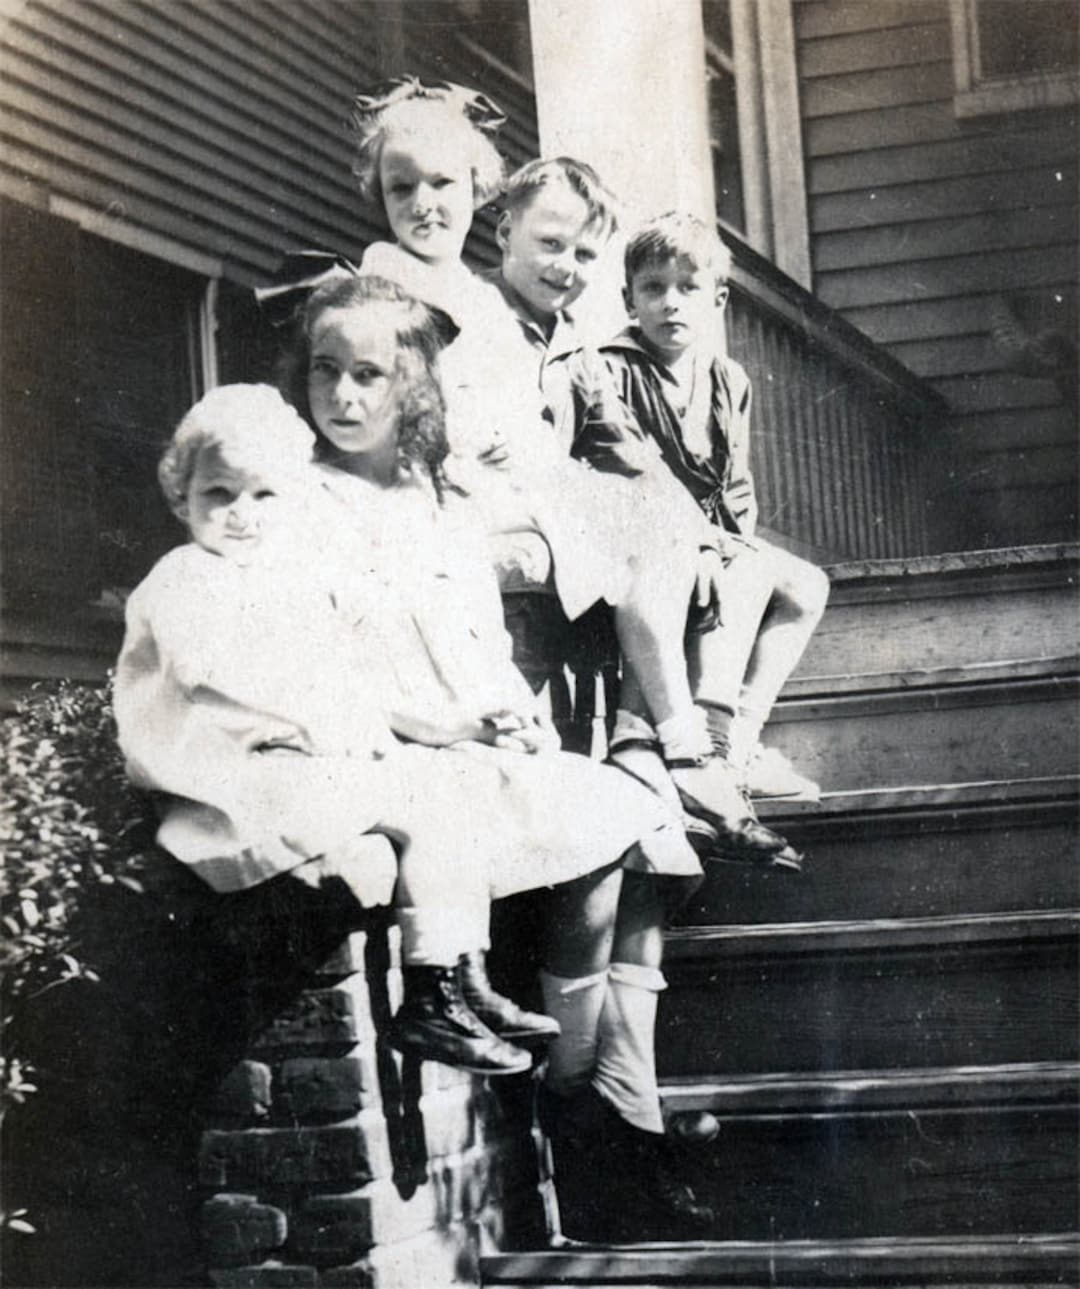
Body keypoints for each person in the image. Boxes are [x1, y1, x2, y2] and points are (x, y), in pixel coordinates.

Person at [279, 272, 719, 1238]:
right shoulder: (299, 503)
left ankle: (590, 1101)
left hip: (463, 733)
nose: (345, 396)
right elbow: (320, 665)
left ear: (413, 390)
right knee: (595, 843)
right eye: (326, 372)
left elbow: (473, 633)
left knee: (627, 828)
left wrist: (507, 706)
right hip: (383, 749)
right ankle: (587, 1113)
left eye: (369, 376)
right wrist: (452, 726)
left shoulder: (428, 498)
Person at [113, 382, 677, 1082]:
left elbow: (355, 685)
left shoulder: (286, 580)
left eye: (263, 496)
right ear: (181, 498)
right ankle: (436, 988)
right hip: (230, 780)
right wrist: (332, 732)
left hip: (292, 764)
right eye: (218, 495)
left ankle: (454, 978)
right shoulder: (187, 579)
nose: (241, 517)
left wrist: (454, 725)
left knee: (443, 788)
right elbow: (225, 685)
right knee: (414, 797)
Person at [341, 76, 796, 870]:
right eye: (401, 187)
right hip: (441, 495)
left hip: (517, 482)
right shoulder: (383, 287)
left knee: (668, 527)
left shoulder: (476, 299)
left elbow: (581, 431)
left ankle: (662, 738)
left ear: (478, 190)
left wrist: (694, 524)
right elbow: (373, 403)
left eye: (443, 184)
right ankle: (680, 745)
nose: (423, 203)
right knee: (643, 528)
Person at [602, 212, 830, 801]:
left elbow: (735, 483)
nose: (670, 303)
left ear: (718, 299)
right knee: (740, 567)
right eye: (653, 288)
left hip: (709, 535)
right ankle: (711, 738)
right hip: (640, 538)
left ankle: (741, 740)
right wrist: (701, 543)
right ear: (629, 299)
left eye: (688, 288)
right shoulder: (613, 371)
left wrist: (728, 539)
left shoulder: (728, 380)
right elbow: (621, 474)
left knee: (806, 585)